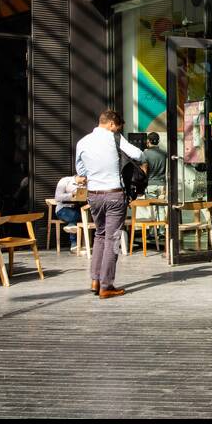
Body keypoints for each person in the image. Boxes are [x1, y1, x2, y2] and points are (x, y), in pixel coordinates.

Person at [75, 109, 143, 299]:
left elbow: (81, 171)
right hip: (114, 195)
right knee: (112, 240)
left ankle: (95, 279)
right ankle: (106, 286)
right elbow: (138, 155)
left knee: (100, 235)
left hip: (93, 196)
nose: (116, 130)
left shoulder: (82, 142)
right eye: (117, 127)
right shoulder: (115, 139)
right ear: (112, 124)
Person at [54, 174, 84, 251]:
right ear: (80, 175)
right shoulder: (65, 181)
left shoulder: (86, 184)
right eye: (85, 178)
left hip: (79, 208)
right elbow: (57, 197)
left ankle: (72, 226)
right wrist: (72, 194)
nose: (86, 181)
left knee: (84, 215)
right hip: (63, 209)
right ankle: (74, 244)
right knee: (75, 216)